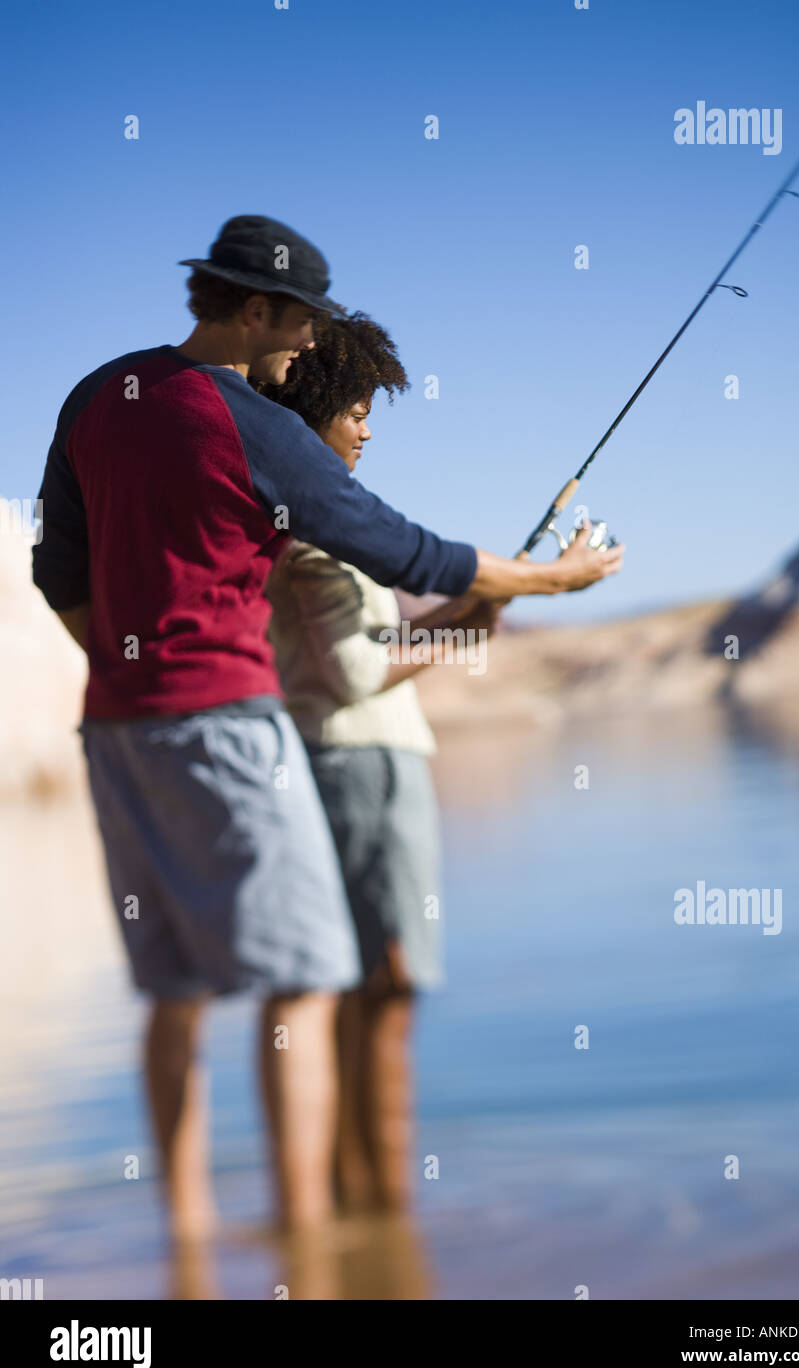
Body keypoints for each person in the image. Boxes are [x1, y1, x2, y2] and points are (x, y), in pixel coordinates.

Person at [32, 214, 624, 1242]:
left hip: (120, 730)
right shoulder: (254, 426)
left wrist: (133, 668)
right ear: (254, 308)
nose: (308, 343)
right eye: (301, 323)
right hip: (228, 722)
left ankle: (189, 1240)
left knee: (175, 993)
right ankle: (306, 1238)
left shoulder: (98, 393)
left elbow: (56, 571)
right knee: (304, 979)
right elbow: (403, 550)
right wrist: (551, 576)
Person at [262, 311, 510, 1212]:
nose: (367, 428)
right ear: (318, 411)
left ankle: (358, 1206)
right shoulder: (320, 533)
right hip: (363, 769)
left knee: (363, 991)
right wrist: (462, 628)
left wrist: (463, 622)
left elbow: (367, 647)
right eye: (358, 410)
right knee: (389, 987)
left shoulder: (301, 524)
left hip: (352, 764)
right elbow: (360, 671)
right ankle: (380, 1207)